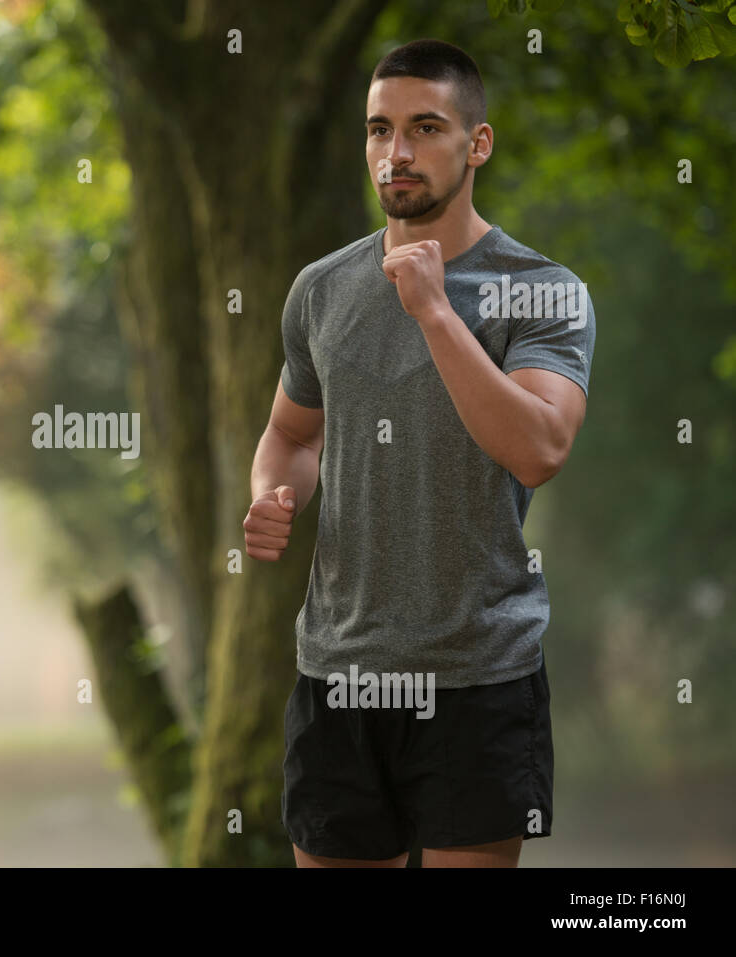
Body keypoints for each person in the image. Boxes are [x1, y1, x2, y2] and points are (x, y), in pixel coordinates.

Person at [243, 39, 595, 867]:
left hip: (477, 674)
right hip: (339, 673)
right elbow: (293, 432)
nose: (395, 153)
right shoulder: (321, 289)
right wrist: (273, 493)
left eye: (425, 127)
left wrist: (437, 312)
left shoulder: (544, 291)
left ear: (477, 144)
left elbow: (540, 447)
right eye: (378, 129)